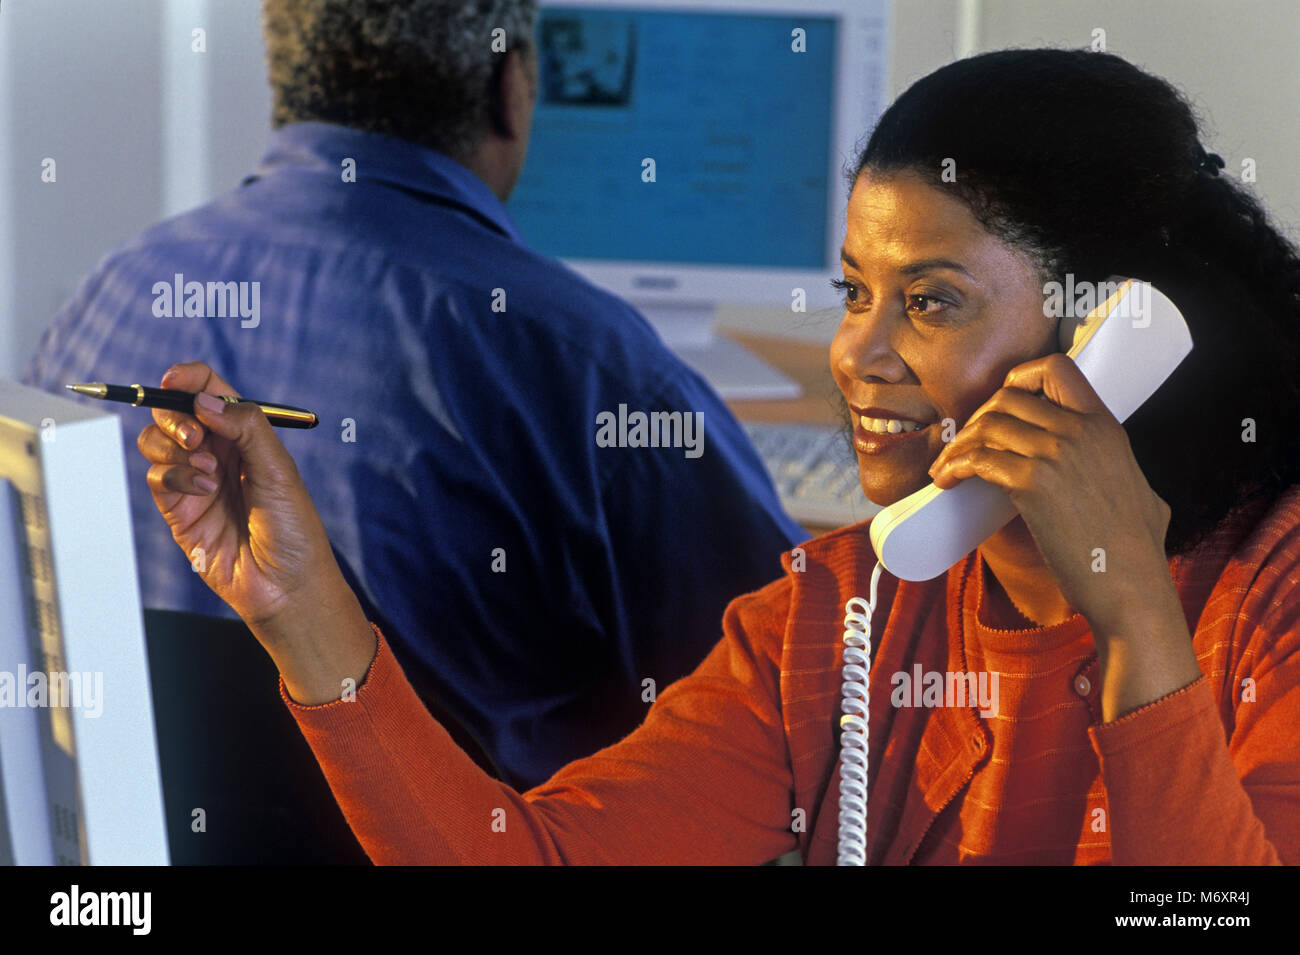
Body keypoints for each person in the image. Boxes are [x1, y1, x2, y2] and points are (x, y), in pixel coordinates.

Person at [136, 49, 1300, 864]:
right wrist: (301, 608)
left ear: (1108, 331)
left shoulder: (1271, 600)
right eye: (855, 291)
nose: (859, 355)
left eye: (932, 303)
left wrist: (1139, 622)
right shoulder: (843, 612)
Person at [22, 0, 803, 790]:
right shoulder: (589, 365)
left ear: (285, 76)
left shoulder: (110, 294)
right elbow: (808, 684)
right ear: (512, 85)